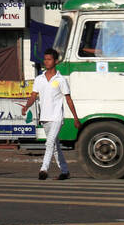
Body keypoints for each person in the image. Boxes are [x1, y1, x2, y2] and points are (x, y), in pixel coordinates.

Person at [22, 48, 80, 180]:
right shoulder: (39, 79)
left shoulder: (61, 80)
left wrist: (76, 118)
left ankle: (44, 169)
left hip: (57, 117)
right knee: (54, 146)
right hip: (45, 117)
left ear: (55, 61)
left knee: (49, 143)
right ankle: (65, 171)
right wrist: (27, 106)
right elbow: (33, 96)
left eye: (49, 59)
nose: (46, 62)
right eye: (45, 59)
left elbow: (68, 99)